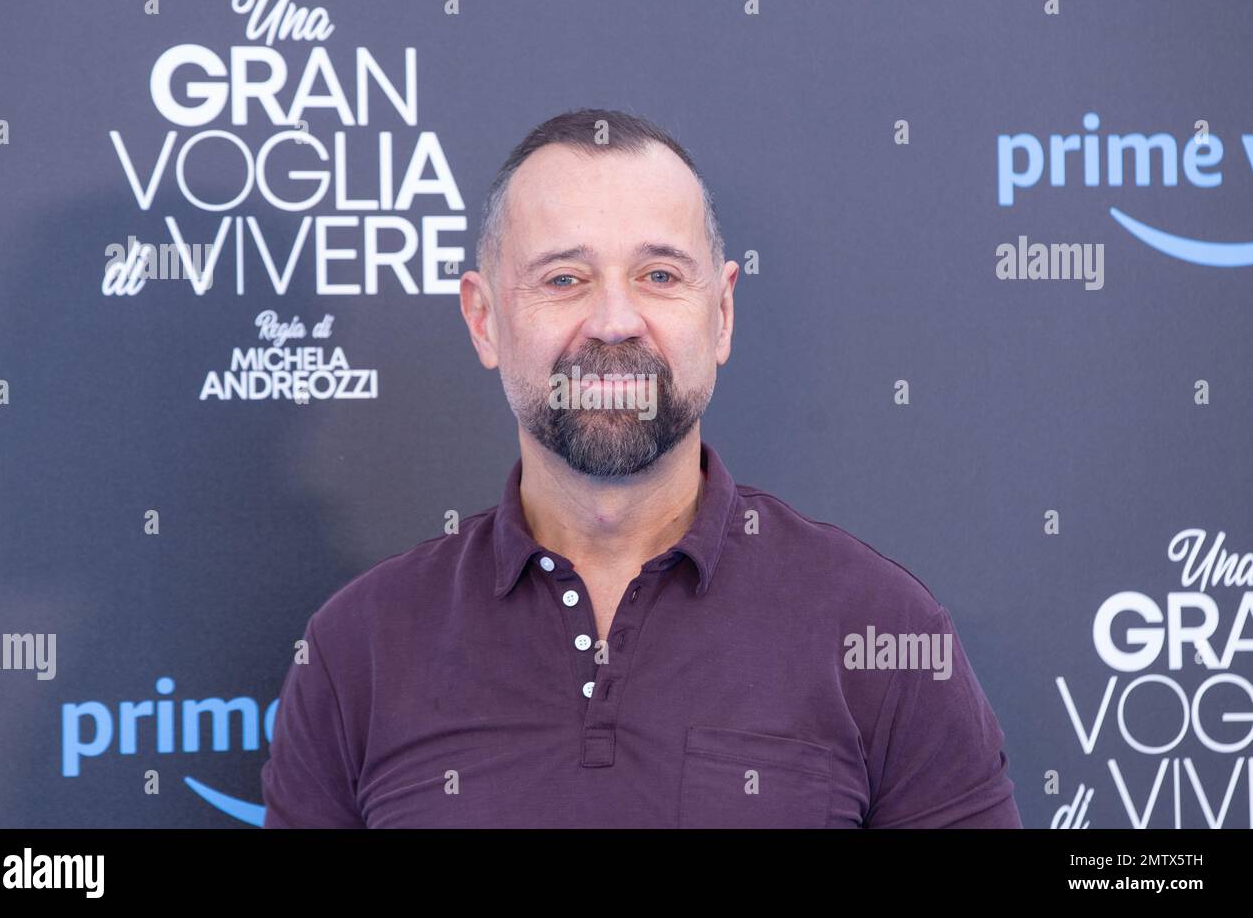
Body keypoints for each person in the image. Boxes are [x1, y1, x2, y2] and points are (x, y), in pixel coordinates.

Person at [260, 108, 1022, 828]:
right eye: (564, 279)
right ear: (484, 318)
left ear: (720, 313)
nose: (615, 321)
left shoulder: (880, 627)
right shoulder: (355, 650)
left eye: (659, 275)